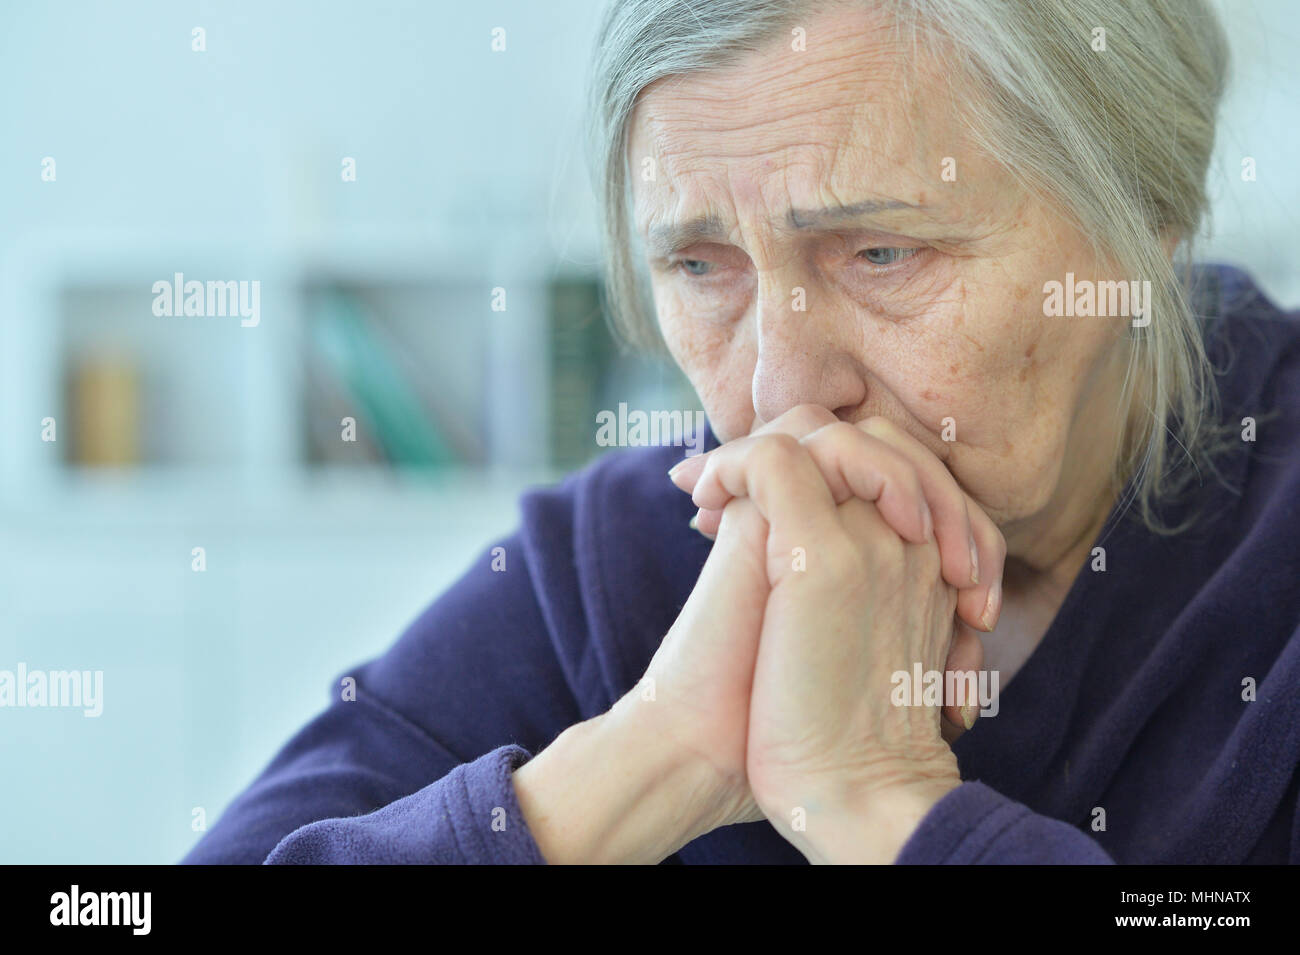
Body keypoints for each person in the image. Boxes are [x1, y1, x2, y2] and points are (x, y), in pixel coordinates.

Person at [182, 0, 1300, 864]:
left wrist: (876, 799)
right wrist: (651, 757)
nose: (777, 389)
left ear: (1148, 218)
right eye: (700, 267)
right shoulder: (624, 552)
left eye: (880, 253)